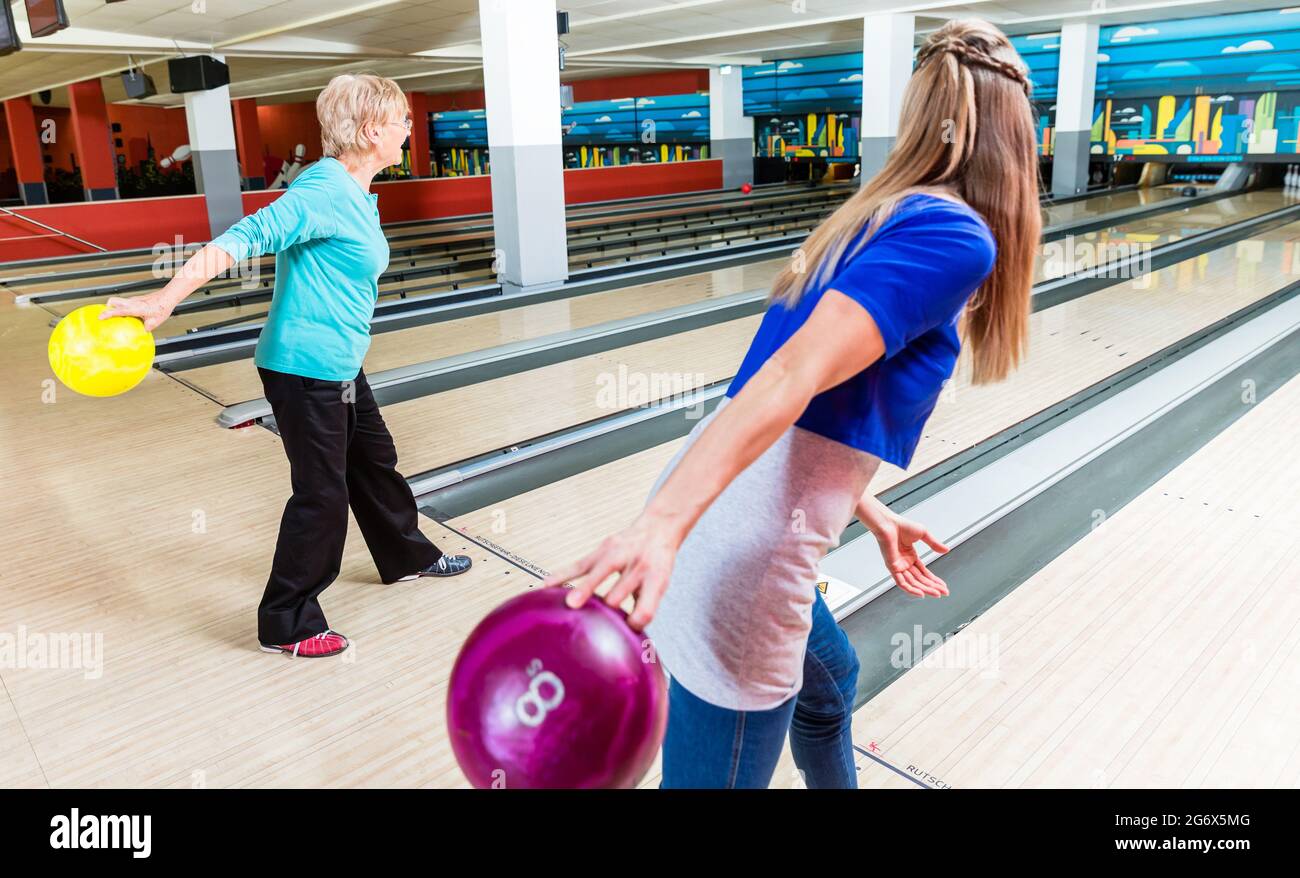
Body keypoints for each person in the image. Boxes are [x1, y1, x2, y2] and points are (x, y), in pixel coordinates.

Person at [544, 18, 1041, 788]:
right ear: (1018, 133)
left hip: (728, 517)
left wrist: (867, 509)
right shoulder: (958, 239)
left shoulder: (886, 212)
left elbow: (820, 412)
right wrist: (658, 529)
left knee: (831, 680)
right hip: (743, 555)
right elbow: (790, 377)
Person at [102, 74, 470, 659]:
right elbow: (241, 239)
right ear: (373, 129)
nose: (408, 128)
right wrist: (163, 299)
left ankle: (406, 558)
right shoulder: (323, 191)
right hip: (306, 369)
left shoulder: (352, 189)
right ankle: (288, 620)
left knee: (373, 461)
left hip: (340, 362)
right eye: (402, 119)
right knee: (321, 493)